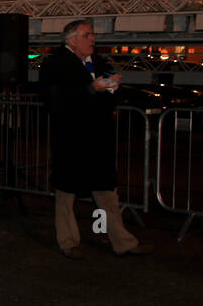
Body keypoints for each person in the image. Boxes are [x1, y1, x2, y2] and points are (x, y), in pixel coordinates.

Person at [39, 19, 153, 259]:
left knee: (106, 191)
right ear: (71, 40)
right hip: (72, 138)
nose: (93, 39)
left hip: (98, 139)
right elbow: (56, 100)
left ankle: (123, 242)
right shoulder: (55, 65)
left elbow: (111, 98)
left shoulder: (100, 62)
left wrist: (112, 87)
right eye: (87, 35)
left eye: (92, 35)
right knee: (66, 192)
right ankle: (68, 241)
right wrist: (91, 90)